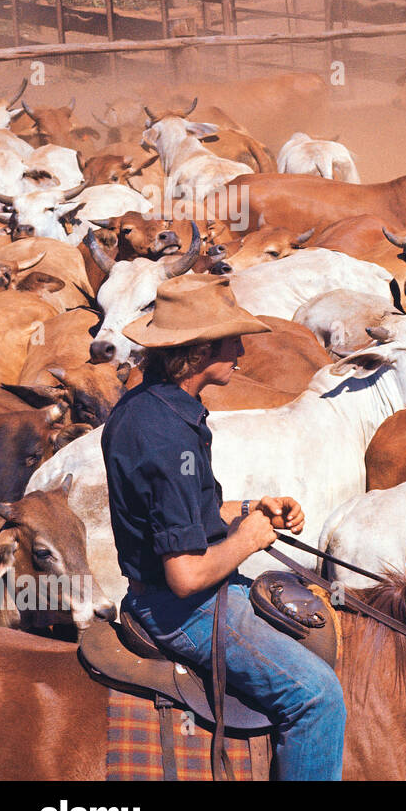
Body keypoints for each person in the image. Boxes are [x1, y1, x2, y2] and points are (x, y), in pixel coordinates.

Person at [102, 274, 346, 781]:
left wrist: (253, 508)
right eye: (231, 340)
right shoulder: (168, 437)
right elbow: (187, 575)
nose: (241, 350)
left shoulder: (151, 407)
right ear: (195, 353)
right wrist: (246, 539)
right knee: (319, 699)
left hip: (180, 591)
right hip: (182, 609)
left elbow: (184, 512)